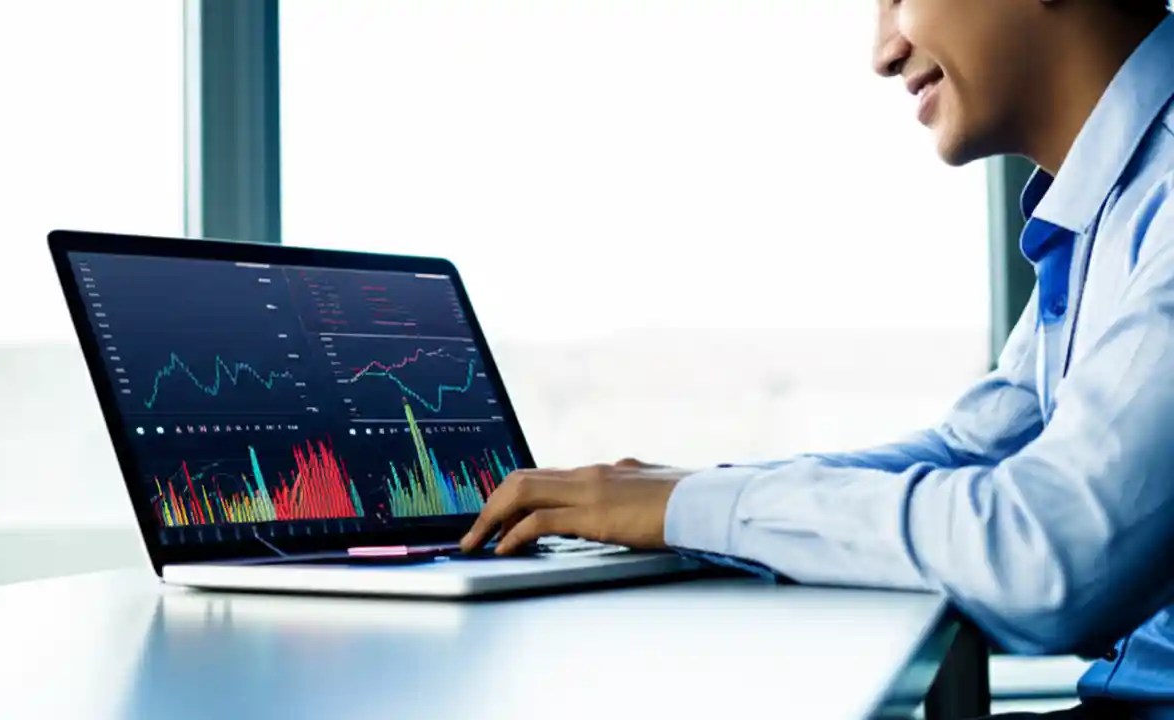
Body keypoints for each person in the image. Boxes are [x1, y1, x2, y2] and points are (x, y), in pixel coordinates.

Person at [460, 1, 1174, 718]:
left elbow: (1047, 557)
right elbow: (973, 451)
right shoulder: (1111, 207)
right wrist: (670, 497)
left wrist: (694, 508)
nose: (883, 52)